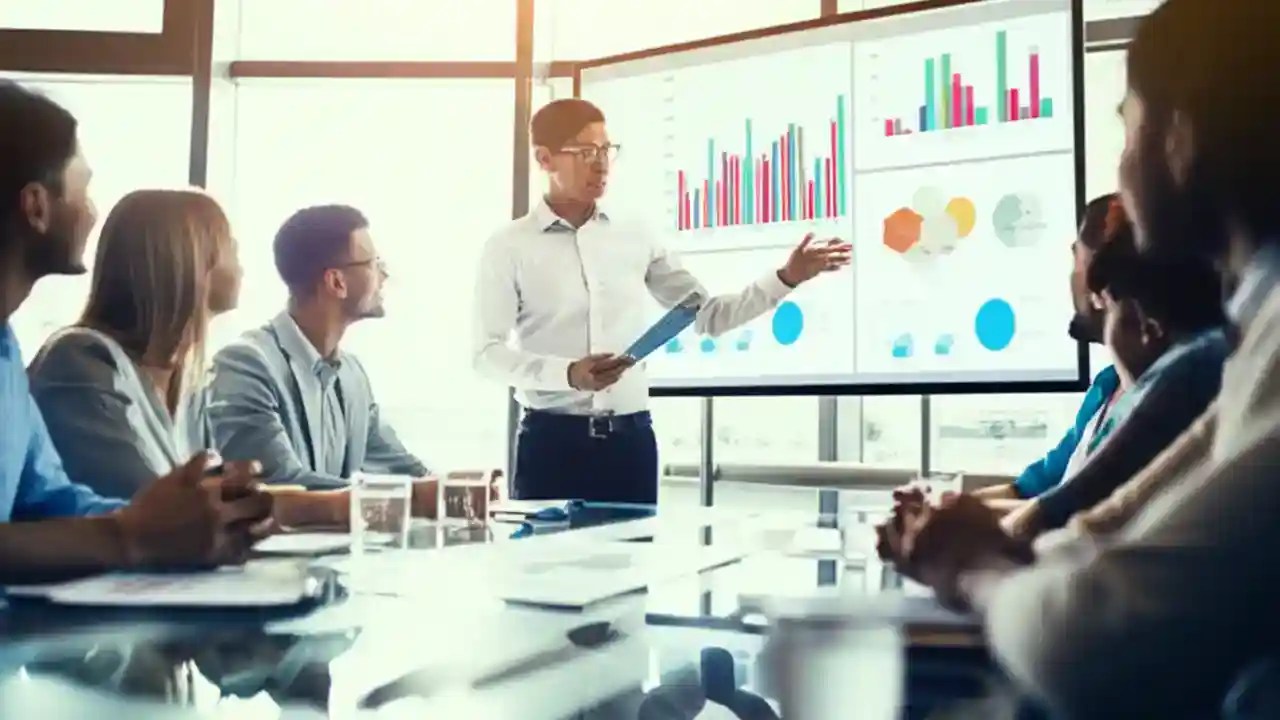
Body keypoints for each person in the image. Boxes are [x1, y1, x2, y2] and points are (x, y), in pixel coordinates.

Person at [878, 2, 1280, 717]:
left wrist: (969, 567)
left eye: (1127, 127)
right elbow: (1112, 530)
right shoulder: (1254, 332)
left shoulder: (1237, 350)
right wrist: (987, 549)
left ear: (1180, 139)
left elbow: (1090, 642)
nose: (1121, 169)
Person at [474, 98, 851, 503]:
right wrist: (568, 374)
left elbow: (708, 316)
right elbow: (486, 354)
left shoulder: (635, 235)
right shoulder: (508, 247)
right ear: (544, 159)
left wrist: (787, 277)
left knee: (637, 547)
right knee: (545, 547)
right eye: (585, 152)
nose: (600, 164)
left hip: (630, 444)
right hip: (551, 444)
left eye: (605, 150)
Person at [28, 190, 435, 526]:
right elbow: (175, 515)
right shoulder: (83, 362)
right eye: (228, 246)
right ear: (188, 260)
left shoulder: (190, 387)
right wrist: (393, 501)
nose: (240, 260)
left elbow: (234, 499)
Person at [0, 80, 271, 580]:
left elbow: (50, 502)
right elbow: (119, 530)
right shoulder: (80, 361)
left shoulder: (6, 353)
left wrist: (201, 519)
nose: (92, 212)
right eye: (83, 189)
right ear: (36, 207)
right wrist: (129, 537)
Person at [1001, 222, 1228, 538]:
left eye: (1108, 307)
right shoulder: (1118, 389)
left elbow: (1061, 516)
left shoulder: (1191, 375)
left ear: (1146, 326)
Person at [206, 204, 432, 491]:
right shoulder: (246, 364)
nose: (384, 274)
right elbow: (278, 486)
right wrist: (409, 497)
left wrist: (458, 487)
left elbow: (403, 468)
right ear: (337, 282)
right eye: (374, 263)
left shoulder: (352, 375)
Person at [971, 195, 1124, 509]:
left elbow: (1066, 511)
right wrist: (942, 509)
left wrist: (951, 518)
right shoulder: (1107, 385)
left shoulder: (1161, 395)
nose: (1073, 278)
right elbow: (1032, 488)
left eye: (1077, 259)